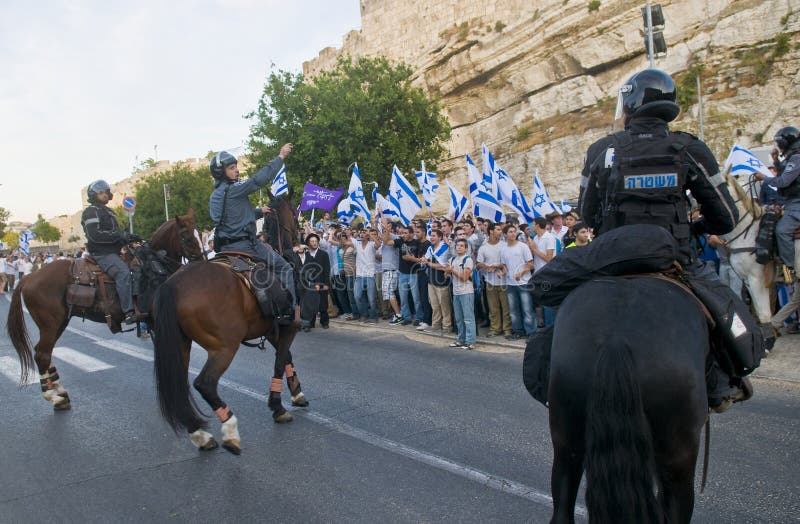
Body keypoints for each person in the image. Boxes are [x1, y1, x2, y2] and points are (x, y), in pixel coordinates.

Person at [578, 68, 756, 413]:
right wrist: (696, 228)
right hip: (675, 259)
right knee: (733, 314)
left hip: (613, 260)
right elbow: (727, 218)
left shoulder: (601, 149)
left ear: (629, 104)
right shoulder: (689, 148)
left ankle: (554, 383)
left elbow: (587, 215)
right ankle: (722, 382)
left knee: (562, 304)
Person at [209, 145, 297, 325]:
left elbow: (229, 217)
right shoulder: (235, 189)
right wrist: (280, 157)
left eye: (235, 167)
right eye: (231, 168)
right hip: (246, 245)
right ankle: (289, 312)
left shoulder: (215, 196)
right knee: (285, 268)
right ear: (221, 172)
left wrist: (258, 211)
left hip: (224, 248)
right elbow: (258, 180)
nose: (237, 170)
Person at [81, 180, 138, 324]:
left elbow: (114, 234)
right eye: (101, 193)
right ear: (94, 195)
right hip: (102, 253)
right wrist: (119, 236)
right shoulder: (91, 211)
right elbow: (95, 236)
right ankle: (128, 312)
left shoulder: (108, 211)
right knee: (123, 272)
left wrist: (128, 238)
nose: (104, 195)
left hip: (114, 252)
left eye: (105, 192)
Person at [758, 126, 800, 269]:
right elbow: (784, 174)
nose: (778, 146)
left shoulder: (797, 157)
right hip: (790, 204)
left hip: (797, 206)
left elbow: (783, 181)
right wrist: (776, 161)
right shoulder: (792, 157)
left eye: (779, 143)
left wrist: (764, 178)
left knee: (781, 230)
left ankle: (790, 267)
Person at [447, 239, 476, 349]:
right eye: (457, 246)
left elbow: (464, 278)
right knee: (459, 318)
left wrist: (452, 271)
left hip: (466, 292)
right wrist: (447, 270)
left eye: (461, 246)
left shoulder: (468, 260)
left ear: (466, 248)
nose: (458, 247)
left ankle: (470, 341)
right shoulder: (452, 259)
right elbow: (446, 271)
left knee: (468, 318)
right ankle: (461, 339)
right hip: (456, 292)